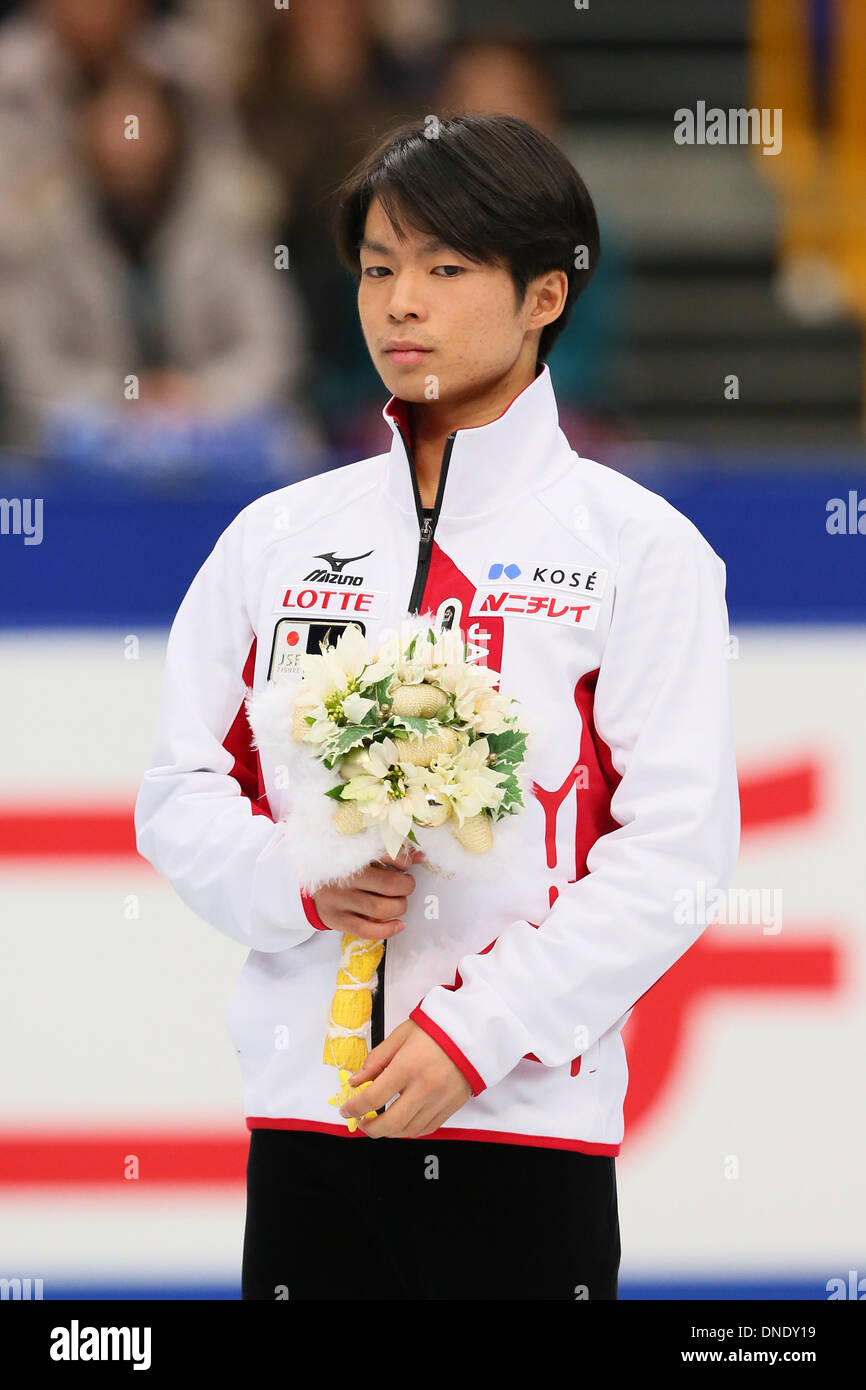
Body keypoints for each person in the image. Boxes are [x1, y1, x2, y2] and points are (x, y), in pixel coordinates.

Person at [134, 113, 740, 1301]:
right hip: (307, 1132)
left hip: (524, 1135)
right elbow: (176, 793)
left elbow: (677, 852)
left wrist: (480, 1030)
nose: (397, 302)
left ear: (544, 297)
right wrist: (298, 882)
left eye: (443, 268)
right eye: (375, 268)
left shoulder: (640, 553)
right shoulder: (275, 538)